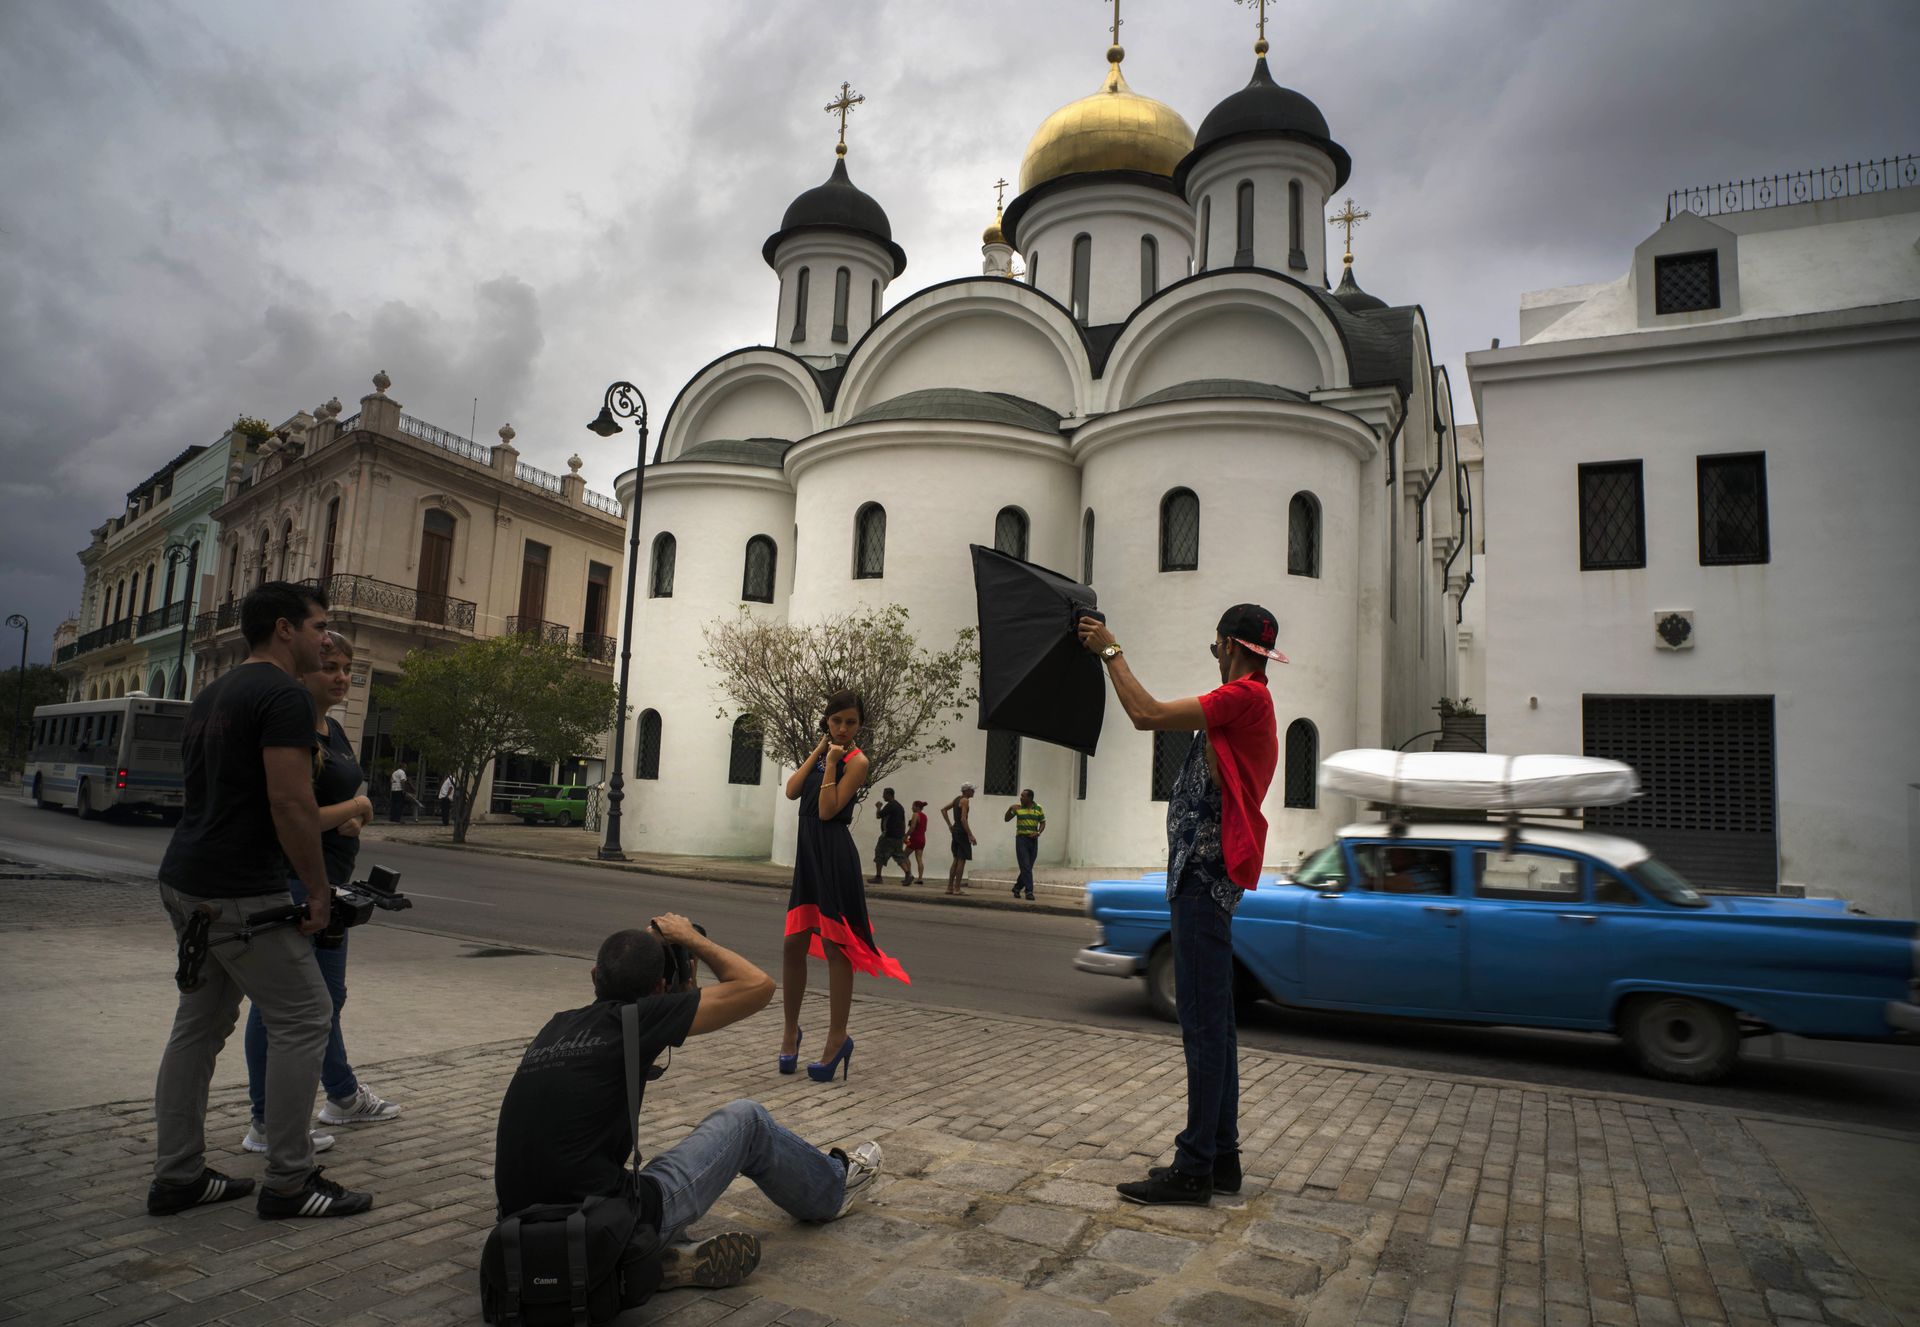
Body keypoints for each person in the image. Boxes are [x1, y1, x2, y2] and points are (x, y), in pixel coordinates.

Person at [495, 916, 884, 1292]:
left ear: (595, 976)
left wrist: (644, 947)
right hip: (597, 1222)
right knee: (745, 1120)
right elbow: (758, 986)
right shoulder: (640, 1018)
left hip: (519, 1224)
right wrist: (689, 939)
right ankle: (833, 1188)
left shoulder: (557, 1026)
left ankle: (653, 1260)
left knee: (639, 1174)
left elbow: (625, 982)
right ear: (661, 989)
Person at [149, 581, 375, 1220]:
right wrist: (317, 891)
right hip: (242, 891)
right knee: (306, 1016)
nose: (325, 638)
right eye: (318, 627)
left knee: (197, 1027)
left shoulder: (214, 691)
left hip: (187, 880)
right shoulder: (279, 694)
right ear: (284, 629)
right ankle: (288, 1179)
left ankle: (178, 1175)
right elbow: (290, 803)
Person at [1078, 603, 1283, 1207]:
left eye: (1216, 645)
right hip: (1201, 876)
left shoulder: (1245, 696)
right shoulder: (1250, 701)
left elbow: (1145, 715)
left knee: (1201, 1023)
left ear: (1228, 645)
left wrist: (1110, 652)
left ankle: (1194, 1165)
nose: (1214, 654)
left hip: (1202, 877)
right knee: (1214, 1021)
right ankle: (1221, 1158)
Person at [241, 631, 399, 1157]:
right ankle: (265, 1122)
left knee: (327, 1000)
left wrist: (355, 811)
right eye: (330, 666)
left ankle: (343, 1095)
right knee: (281, 1006)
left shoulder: (333, 729)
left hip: (332, 882)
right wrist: (353, 812)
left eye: (347, 669)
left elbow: (340, 794)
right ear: (302, 669)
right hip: (295, 882)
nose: (340, 676)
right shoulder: (292, 728)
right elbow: (290, 810)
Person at [780, 691, 911, 1082]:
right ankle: (790, 1031)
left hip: (834, 855)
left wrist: (834, 762)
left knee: (839, 946)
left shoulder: (857, 762)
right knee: (792, 944)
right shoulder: (824, 752)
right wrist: (821, 750)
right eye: (836, 720)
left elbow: (826, 810)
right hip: (809, 856)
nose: (842, 728)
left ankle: (837, 1037)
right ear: (827, 721)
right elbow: (791, 790)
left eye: (850, 722)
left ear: (859, 725)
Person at [1003, 788, 1046, 901]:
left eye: (1023, 796)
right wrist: (1010, 809)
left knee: (1028, 866)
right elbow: (1006, 819)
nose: (1021, 798)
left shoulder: (1038, 808)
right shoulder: (1018, 808)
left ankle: (1017, 888)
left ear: (1030, 798)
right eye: (1021, 796)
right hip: (1021, 840)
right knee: (1025, 866)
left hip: (1033, 840)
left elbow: (1043, 822)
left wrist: (1038, 832)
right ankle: (1029, 891)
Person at [867, 787, 913, 887]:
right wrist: (903, 835)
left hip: (888, 836)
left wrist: (878, 807)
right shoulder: (899, 806)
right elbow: (903, 821)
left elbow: (879, 816)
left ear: (889, 795)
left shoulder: (890, 806)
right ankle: (908, 874)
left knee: (879, 853)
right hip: (898, 836)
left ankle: (878, 877)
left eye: (884, 794)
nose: (883, 796)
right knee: (898, 855)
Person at [939, 783, 977, 896]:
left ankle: (949, 887)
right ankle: (957, 888)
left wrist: (950, 825)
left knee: (955, 859)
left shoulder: (957, 799)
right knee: (961, 860)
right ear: (967, 791)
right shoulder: (965, 800)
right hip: (961, 832)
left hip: (955, 831)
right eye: (972, 790)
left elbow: (943, 810)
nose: (973, 792)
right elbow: (963, 819)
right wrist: (970, 835)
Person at [905, 799, 930, 885]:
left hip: (914, 839)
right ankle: (920, 878)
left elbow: (912, 827)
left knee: (904, 855)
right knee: (919, 858)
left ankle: (909, 874)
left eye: (913, 806)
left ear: (917, 807)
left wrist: (906, 835)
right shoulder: (925, 816)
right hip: (922, 839)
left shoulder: (915, 814)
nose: (912, 808)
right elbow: (925, 828)